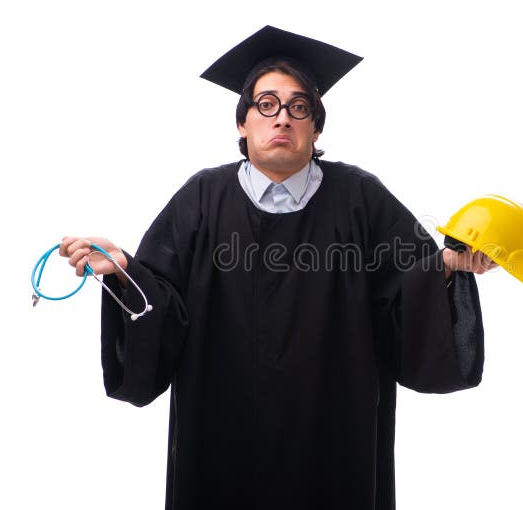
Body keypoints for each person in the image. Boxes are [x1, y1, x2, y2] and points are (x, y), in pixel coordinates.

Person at [60, 26, 497, 510]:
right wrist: (125, 273)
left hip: (334, 442)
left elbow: (407, 292)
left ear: (316, 127)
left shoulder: (360, 198)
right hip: (220, 439)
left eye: (298, 107)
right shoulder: (202, 199)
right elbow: (165, 304)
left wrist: (447, 266)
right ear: (243, 124)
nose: (282, 118)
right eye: (266, 104)